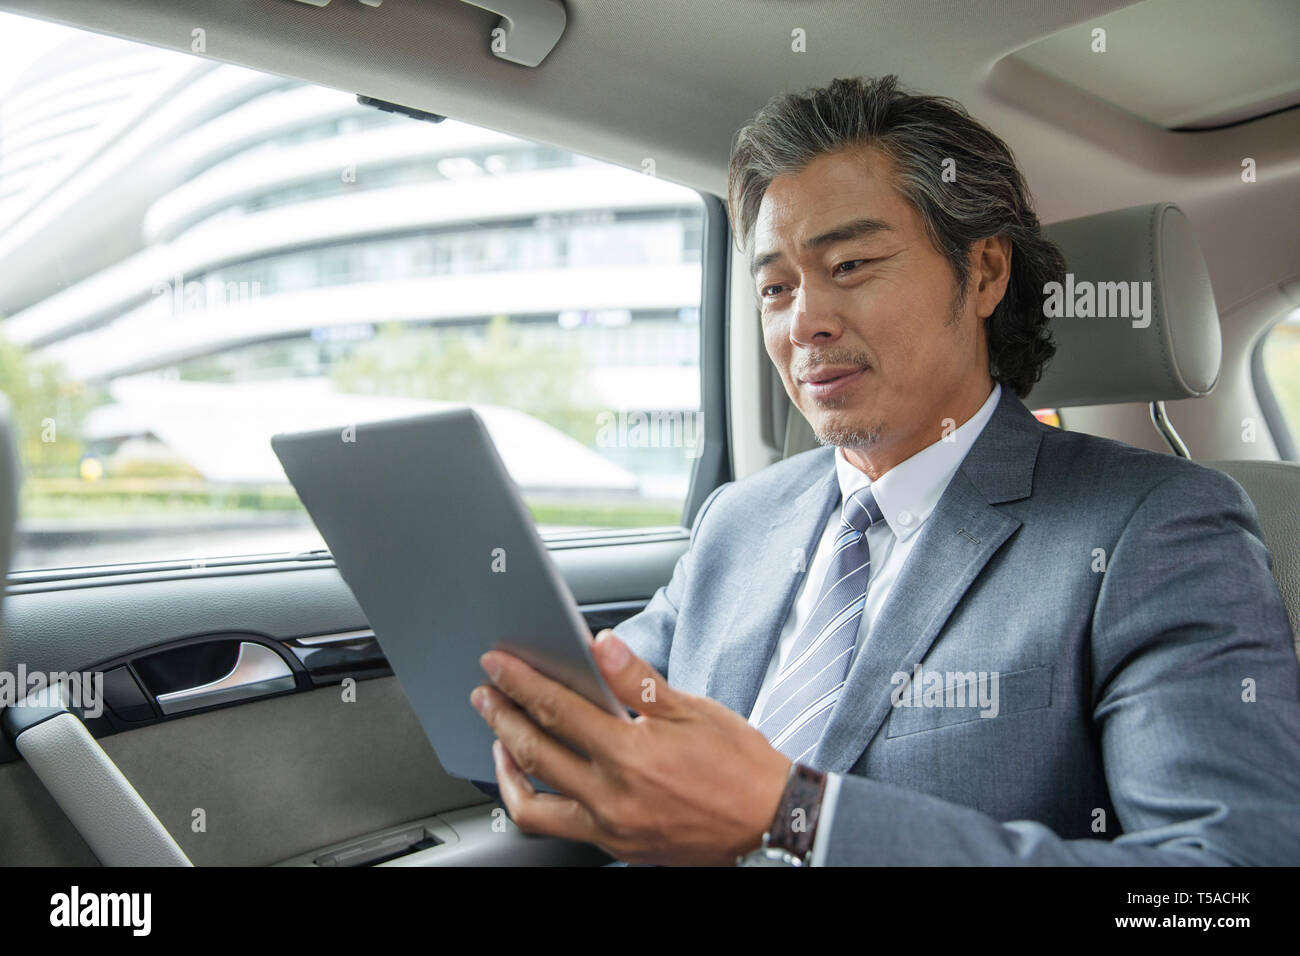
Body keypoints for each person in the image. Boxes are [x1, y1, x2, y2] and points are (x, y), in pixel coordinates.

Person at [468, 75, 1300, 865]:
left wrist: (793, 817)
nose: (807, 324)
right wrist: (538, 719)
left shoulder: (1156, 530)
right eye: (775, 288)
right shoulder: (737, 521)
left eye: (851, 266)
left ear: (984, 272)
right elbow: (606, 713)